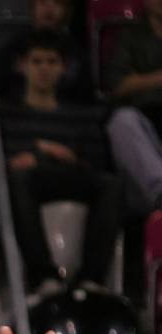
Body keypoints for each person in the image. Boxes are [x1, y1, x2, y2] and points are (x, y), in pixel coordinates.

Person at [0, 30, 121, 297]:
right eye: (37, 61)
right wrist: (39, 152)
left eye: (52, 62)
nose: (44, 68)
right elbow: (3, 161)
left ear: (63, 68)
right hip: (30, 182)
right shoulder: (5, 114)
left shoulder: (80, 116)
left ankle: (93, 280)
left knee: (110, 185)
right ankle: (42, 276)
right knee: (19, 181)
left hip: (69, 177)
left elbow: (95, 163)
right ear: (23, 66)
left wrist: (65, 155)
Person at [105, 0, 162, 214]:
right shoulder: (131, 36)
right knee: (122, 121)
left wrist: (140, 79)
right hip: (145, 132)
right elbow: (117, 85)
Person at [0, 0, 94, 104]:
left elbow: (86, 100)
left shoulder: (78, 56)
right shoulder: (8, 51)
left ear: (67, 10)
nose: (49, 8)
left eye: (57, 3)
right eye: (43, 2)